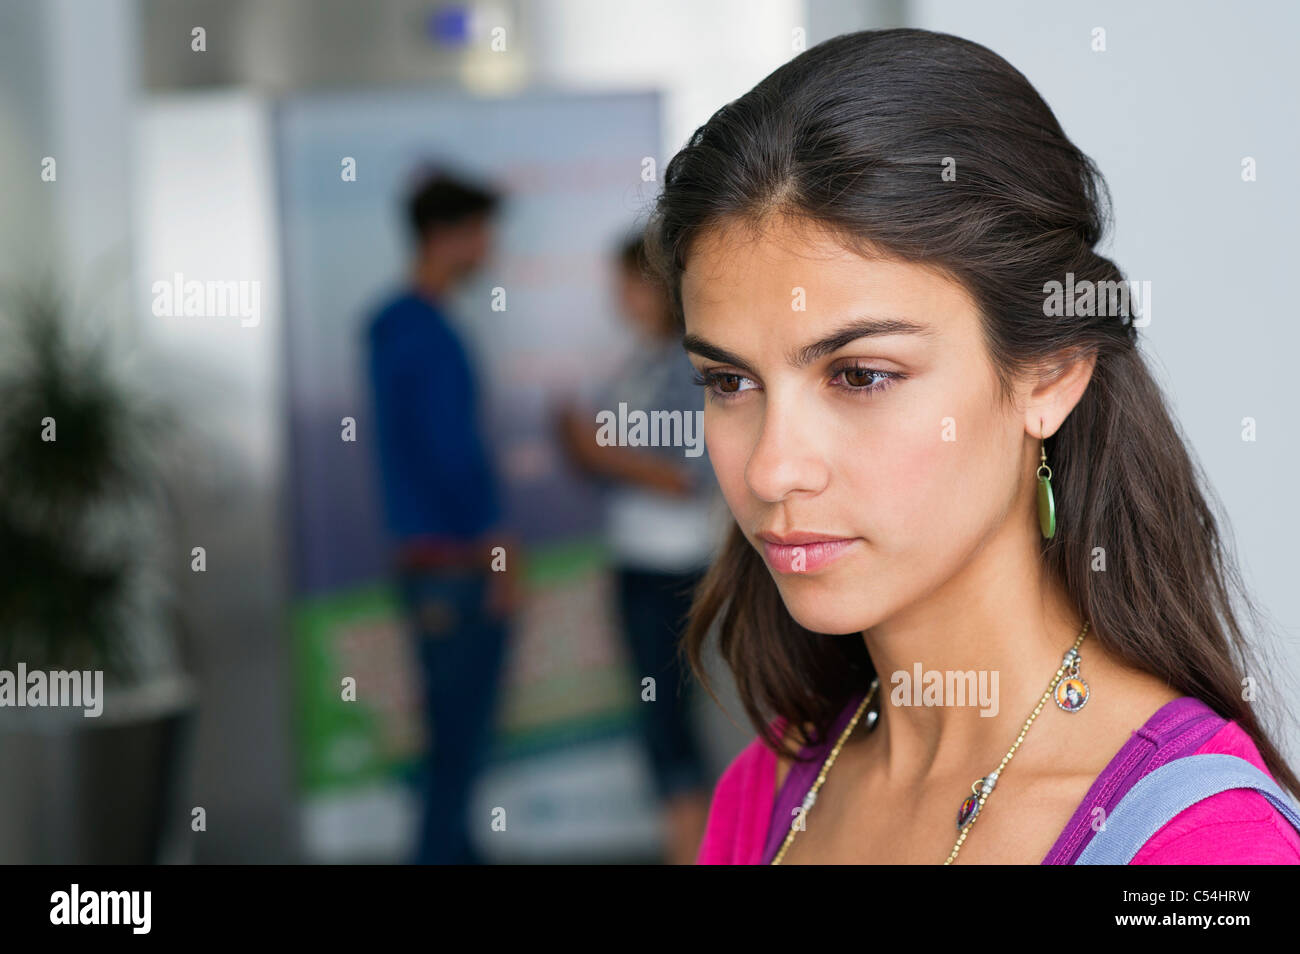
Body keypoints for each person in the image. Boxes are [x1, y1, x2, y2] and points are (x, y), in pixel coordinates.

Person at [640, 28, 1300, 864]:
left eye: (861, 375)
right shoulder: (768, 790)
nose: (772, 469)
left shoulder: (1206, 854)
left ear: (1051, 373)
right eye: (729, 383)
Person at [365, 168, 521, 865]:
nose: (490, 246)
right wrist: (498, 554)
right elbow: (452, 461)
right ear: (445, 235)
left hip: (425, 570)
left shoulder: (391, 325)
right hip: (456, 573)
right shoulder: (427, 335)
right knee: (455, 761)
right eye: (481, 231)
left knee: (450, 758)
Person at [555, 233, 724, 864]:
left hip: (674, 569)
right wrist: (583, 448)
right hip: (635, 562)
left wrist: (598, 450)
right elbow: (614, 461)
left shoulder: (688, 365)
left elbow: (690, 476)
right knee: (659, 724)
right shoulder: (634, 361)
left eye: (628, 283)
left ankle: (696, 851)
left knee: (671, 724)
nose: (617, 298)